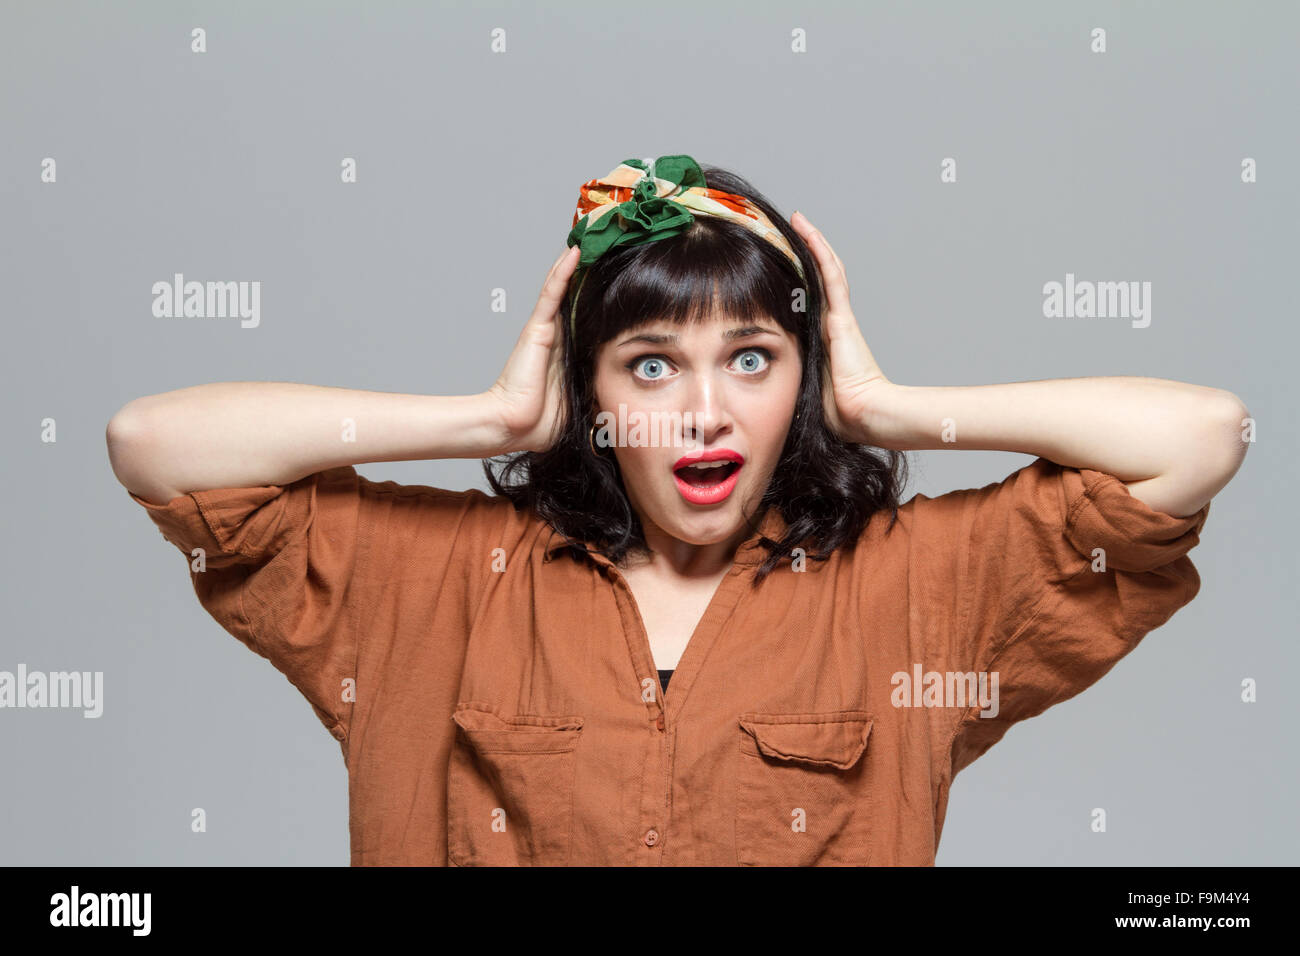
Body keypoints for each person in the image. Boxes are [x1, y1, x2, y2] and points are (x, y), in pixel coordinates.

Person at [106, 155, 1246, 866]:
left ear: (802, 380)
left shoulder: (910, 586)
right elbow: (152, 445)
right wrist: (492, 421)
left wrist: (892, 409)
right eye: (650, 366)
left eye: (751, 359)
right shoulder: (432, 578)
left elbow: (1197, 438)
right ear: (586, 389)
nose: (705, 412)